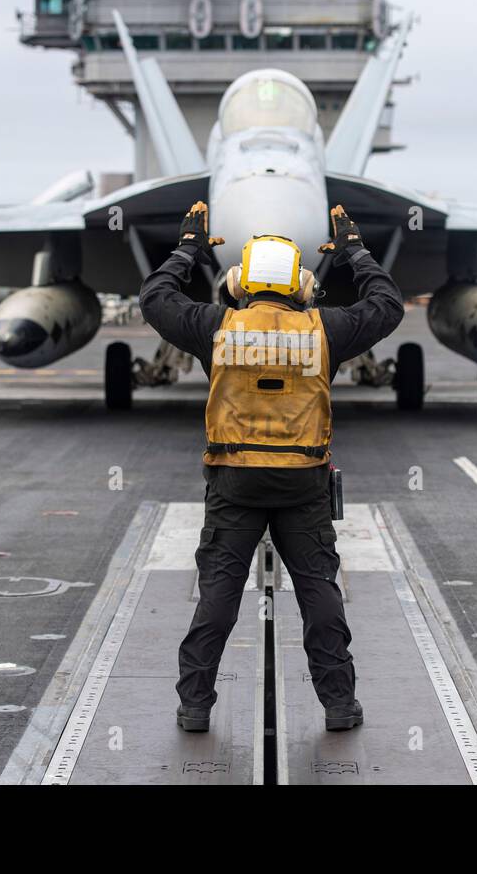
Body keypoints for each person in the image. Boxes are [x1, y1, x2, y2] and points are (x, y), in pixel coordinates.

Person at [139, 201, 403, 733]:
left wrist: (188, 246)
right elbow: (388, 304)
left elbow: (155, 299)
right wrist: (355, 250)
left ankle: (195, 704)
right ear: (300, 285)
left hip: (234, 481)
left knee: (217, 594)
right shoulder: (323, 329)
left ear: (238, 282)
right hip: (304, 483)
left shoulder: (215, 326)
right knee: (318, 593)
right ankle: (338, 704)